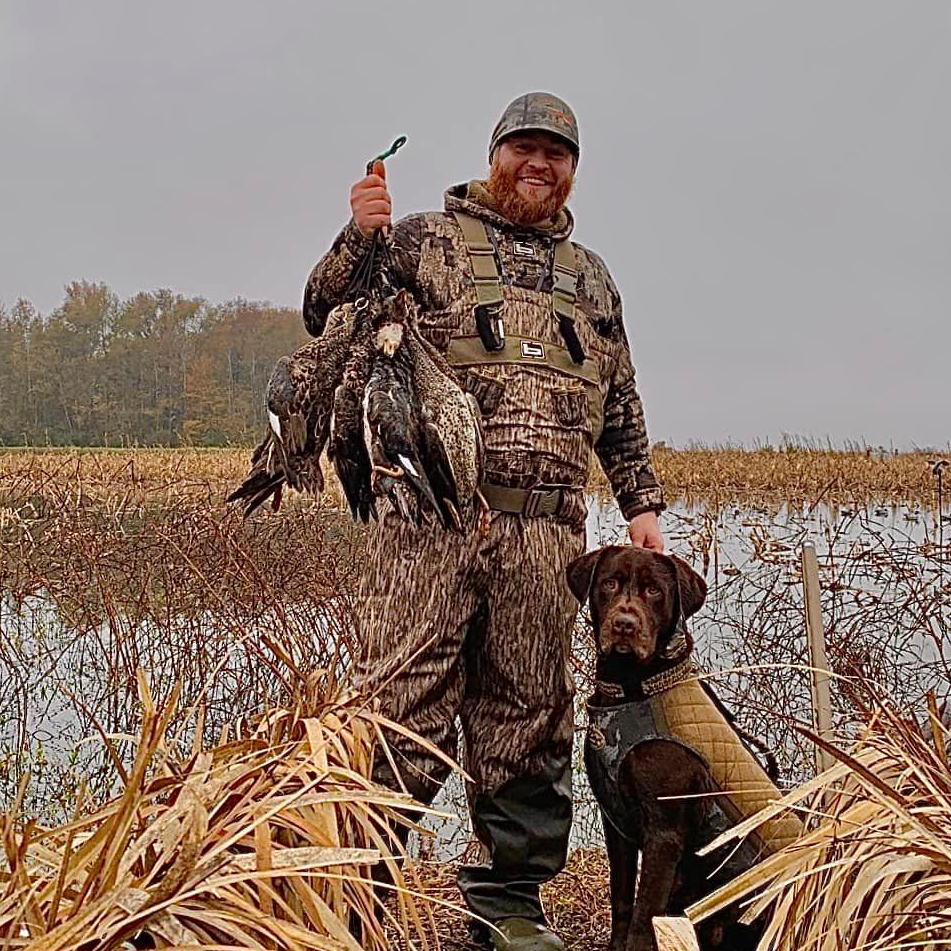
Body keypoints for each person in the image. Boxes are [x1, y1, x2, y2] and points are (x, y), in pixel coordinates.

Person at [303, 92, 665, 951]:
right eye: (522, 149)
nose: (537, 165)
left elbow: (618, 399)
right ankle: (348, 890)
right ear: (494, 153)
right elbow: (324, 312)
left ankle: (506, 900)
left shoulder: (593, 278)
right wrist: (358, 233)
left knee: (530, 717)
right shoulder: (423, 239)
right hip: (428, 525)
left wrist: (641, 503)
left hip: (546, 535)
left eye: (556, 153)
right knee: (399, 708)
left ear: (572, 169)